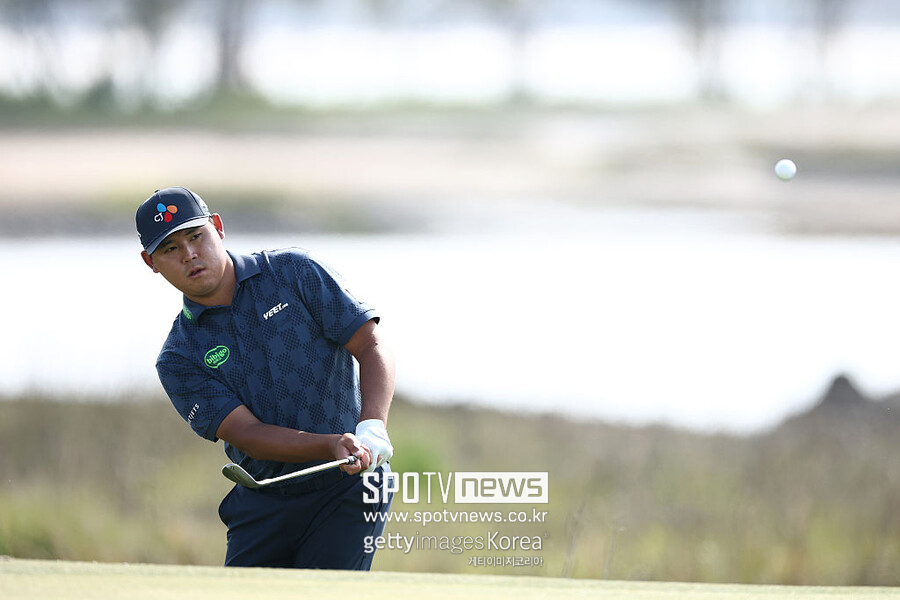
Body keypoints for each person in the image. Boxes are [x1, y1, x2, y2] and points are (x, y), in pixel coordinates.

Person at [136, 186, 395, 569]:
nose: (190, 254)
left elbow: (370, 345)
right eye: (170, 249)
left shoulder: (294, 272)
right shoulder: (179, 357)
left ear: (218, 228)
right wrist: (330, 445)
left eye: (195, 236)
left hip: (348, 487)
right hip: (263, 499)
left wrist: (372, 426)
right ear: (150, 261)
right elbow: (248, 435)